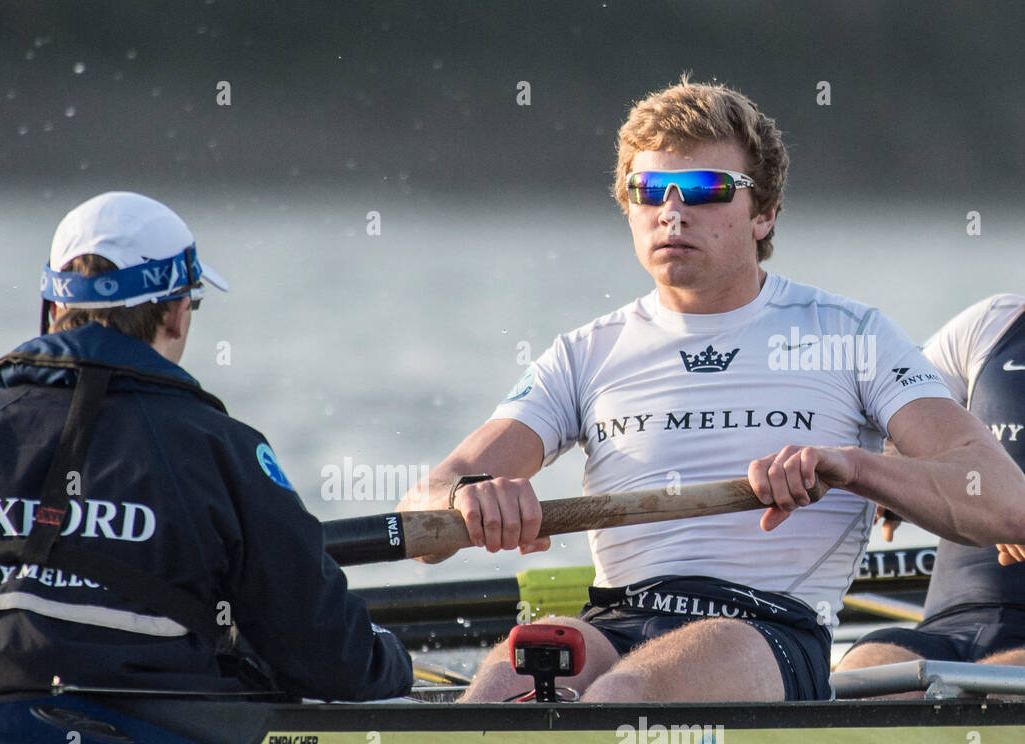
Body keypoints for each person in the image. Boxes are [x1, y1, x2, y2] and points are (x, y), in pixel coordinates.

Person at [399, 78, 1025, 704]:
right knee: (502, 682)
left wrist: (853, 468)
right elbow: (418, 515)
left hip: (765, 629)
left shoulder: (853, 335)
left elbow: (1005, 502)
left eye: (704, 189)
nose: (672, 212)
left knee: (627, 693)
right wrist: (467, 497)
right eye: (649, 190)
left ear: (764, 213)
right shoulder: (583, 354)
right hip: (616, 619)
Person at [0, 191, 412, 704]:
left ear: (52, 308)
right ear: (174, 312)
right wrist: (393, 655)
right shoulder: (223, 453)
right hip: (159, 743)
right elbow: (333, 661)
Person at [836, 294, 1025, 687]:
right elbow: (883, 428)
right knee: (863, 676)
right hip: (946, 629)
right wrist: (896, 483)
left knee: (996, 690)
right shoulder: (992, 324)